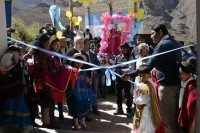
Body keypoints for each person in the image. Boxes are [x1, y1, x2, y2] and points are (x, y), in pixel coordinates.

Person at [122, 22, 182, 133]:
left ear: (160, 33)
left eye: (152, 33)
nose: (151, 36)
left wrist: (130, 75)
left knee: (168, 121)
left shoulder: (163, 45)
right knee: (173, 118)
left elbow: (148, 66)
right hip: (174, 84)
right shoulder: (174, 42)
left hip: (167, 87)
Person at [33, 34, 72, 128]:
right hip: (46, 83)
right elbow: (53, 69)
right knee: (48, 104)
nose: (49, 43)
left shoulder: (39, 53)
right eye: (48, 42)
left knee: (45, 104)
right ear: (43, 42)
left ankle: (46, 123)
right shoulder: (45, 54)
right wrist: (66, 69)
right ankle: (49, 124)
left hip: (42, 82)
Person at [0, 45, 32, 132]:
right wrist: (25, 86)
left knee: (9, 106)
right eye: (20, 50)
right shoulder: (20, 62)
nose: (22, 51)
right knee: (20, 106)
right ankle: (23, 126)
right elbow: (23, 76)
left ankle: (10, 124)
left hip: (6, 90)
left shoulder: (4, 60)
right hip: (18, 89)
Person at [132, 64, 163, 133]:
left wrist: (135, 93)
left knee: (144, 130)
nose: (141, 78)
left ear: (149, 74)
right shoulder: (151, 82)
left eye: (144, 76)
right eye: (140, 75)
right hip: (149, 112)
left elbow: (140, 101)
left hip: (145, 115)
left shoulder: (145, 88)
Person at [114, 42, 135, 116]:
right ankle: (119, 109)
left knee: (128, 94)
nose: (122, 49)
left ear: (127, 49)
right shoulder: (117, 57)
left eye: (124, 48)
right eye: (121, 48)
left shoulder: (130, 57)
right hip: (118, 79)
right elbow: (114, 66)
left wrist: (122, 70)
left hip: (127, 79)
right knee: (118, 94)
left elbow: (131, 68)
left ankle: (129, 109)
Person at [178, 57, 197, 133]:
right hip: (181, 108)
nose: (180, 76)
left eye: (182, 74)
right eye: (179, 73)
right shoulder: (184, 81)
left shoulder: (191, 85)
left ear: (189, 74)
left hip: (187, 113)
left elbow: (191, 105)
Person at [83, 39, 100, 115]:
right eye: (87, 43)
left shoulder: (92, 54)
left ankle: (95, 107)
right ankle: (88, 108)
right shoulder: (81, 53)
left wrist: (94, 68)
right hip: (86, 75)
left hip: (94, 75)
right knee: (87, 92)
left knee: (95, 91)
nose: (89, 45)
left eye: (90, 43)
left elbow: (98, 64)